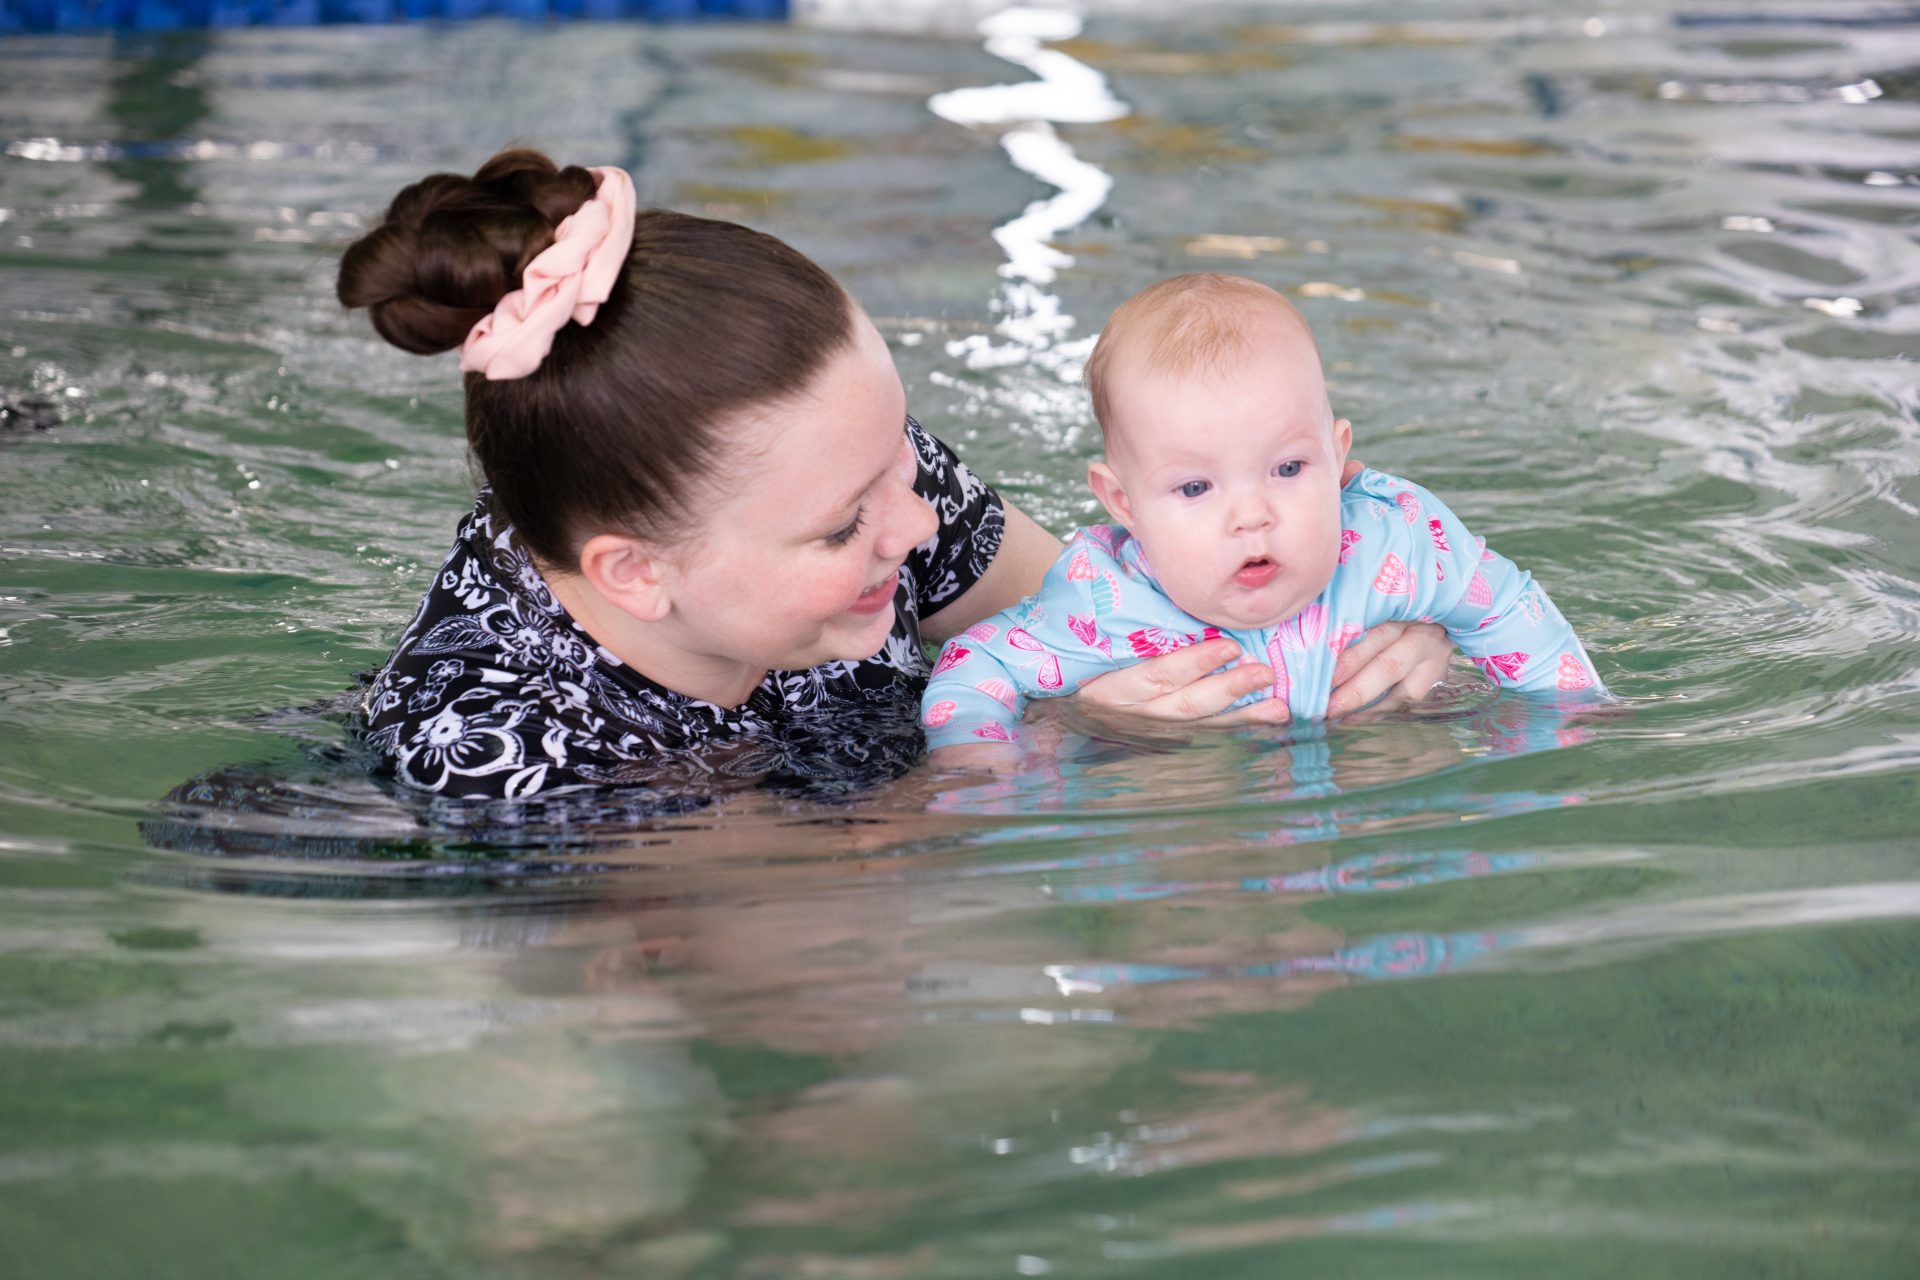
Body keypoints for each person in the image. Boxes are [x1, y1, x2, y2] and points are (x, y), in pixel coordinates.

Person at [335, 151, 1455, 800]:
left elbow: (1135, 619)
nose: (918, 524)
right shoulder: (509, 748)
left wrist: (1358, 631)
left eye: (898, 455)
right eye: (840, 527)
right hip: (489, 933)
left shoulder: (871, 487)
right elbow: (839, 908)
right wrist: (1081, 737)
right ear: (635, 575)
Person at [922, 273, 1606, 766]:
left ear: (1339, 458)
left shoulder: (1392, 539)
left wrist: (1573, 718)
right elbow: (977, 662)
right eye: (1194, 487)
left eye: (1287, 469)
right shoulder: (1102, 603)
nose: (1252, 516)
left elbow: (1507, 604)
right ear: (1123, 504)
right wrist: (981, 767)